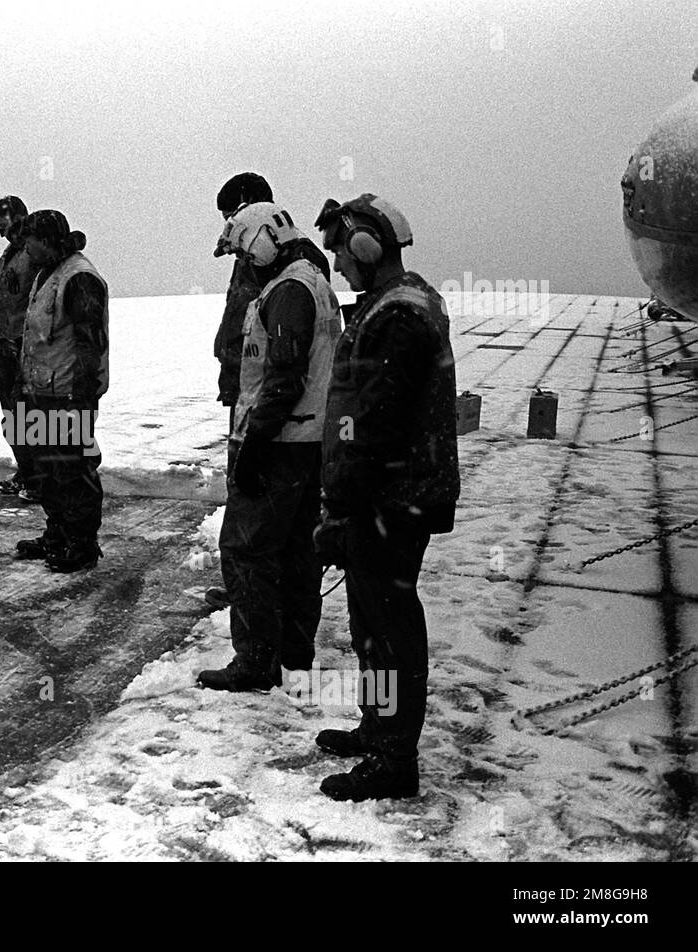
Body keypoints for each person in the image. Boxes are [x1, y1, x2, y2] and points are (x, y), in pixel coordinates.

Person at [310, 194, 460, 802]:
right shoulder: (396, 304)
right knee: (374, 624)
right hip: (389, 494)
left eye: (343, 253)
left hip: (392, 498)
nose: (340, 266)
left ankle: (395, 758)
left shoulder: (396, 316)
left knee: (389, 626)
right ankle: (379, 728)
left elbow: (372, 424)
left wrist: (341, 501)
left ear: (369, 247)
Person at [196, 202, 340, 693]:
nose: (248, 264)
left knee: (246, 550)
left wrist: (255, 444)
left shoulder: (288, 291)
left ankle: (257, 661)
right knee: (298, 550)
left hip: (278, 442)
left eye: (246, 252)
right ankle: (294, 653)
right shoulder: (311, 282)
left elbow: (283, 379)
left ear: (262, 240)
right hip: (305, 442)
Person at [12, 210, 109, 573]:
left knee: (72, 469)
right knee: (45, 470)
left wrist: (81, 398)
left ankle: (82, 544)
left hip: (68, 393)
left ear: (46, 240)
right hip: (41, 390)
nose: (25, 249)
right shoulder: (47, 273)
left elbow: (90, 344)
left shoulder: (79, 278)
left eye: (30, 242)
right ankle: (58, 534)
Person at [205, 173, 274, 611]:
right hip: (245, 389)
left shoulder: (269, 257)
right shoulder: (251, 254)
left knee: (253, 492)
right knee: (245, 488)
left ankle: (252, 589)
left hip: (261, 397)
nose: (230, 223)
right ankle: (248, 584)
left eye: (232, 212)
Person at [0, 196, 39, 499]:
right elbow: (2, 299)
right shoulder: (9, 255)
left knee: (29, 414)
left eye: (4, 224)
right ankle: (27, 470)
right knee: (12, 416)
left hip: (26, 347)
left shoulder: (33, 254)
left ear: (18, 217)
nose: (2, 232)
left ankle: (38, 477)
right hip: (6, 347)